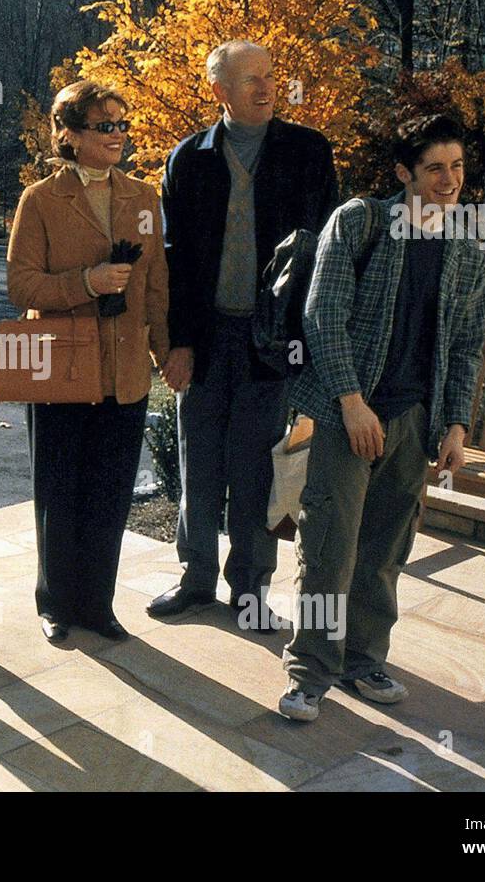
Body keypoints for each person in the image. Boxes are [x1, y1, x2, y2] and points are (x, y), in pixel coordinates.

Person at [279, 114, 485, 721]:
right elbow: (323, 315)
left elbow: (466, 343)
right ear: (404, 173)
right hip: (347, 413)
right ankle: (309, 672)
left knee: (385, 550)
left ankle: (364, 660)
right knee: (328, 548)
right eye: (435, 169)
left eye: (457, 166)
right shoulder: (360, 220)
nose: (449, 181)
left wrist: (456, 424)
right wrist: (350, 402)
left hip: (413, 421)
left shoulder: (467, 246)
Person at [150, 40, 339, 628]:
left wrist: (309, 340)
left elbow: (327, 257)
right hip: (205, 340)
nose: (266, 87)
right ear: (219, 91)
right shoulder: (189, 159)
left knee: (257, 466)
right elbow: (173, 261)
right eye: (251, 78)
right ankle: (195, 578)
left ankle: (251, 590)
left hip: (272, 339)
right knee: (198, 460)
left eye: (271, 76)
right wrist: (177, 342)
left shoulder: (308, 153)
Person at [7, 80, 170, 643]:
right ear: (69, 135)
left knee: (109, 491)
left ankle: (96, 603)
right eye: (105, 126)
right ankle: (55, 602)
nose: (119, 136)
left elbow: (155, 286)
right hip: (58, 367)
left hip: (123, 370)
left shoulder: (144, 198)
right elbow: (22, 285)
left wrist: (166, 353)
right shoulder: (41, 200)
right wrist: (87, 283)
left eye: (123, 125)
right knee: (58, 489)